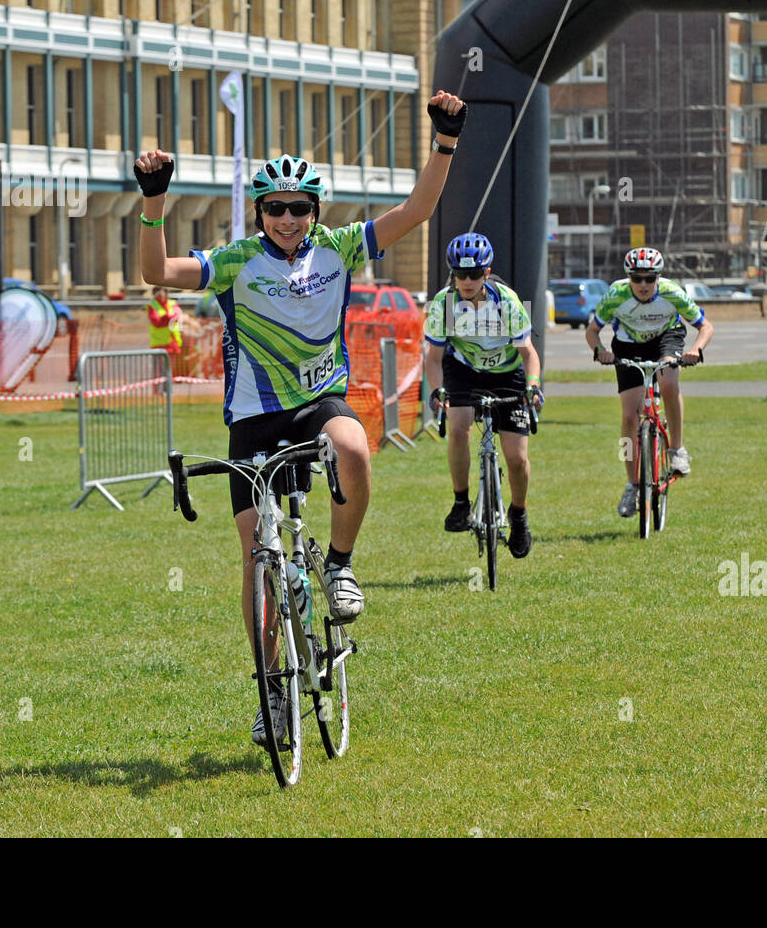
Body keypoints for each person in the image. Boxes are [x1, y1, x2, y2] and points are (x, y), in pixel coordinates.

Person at [136, 89, 468, 746]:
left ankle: (340, 564)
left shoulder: (340, 249)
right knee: (257, 562)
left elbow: (419, 209)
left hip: (319, 403)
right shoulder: (235, 263)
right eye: (276, 208)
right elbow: (157, 274)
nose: (288, 218)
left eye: (299, 208)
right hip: (254, 421)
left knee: (355, 449)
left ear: (317, 212)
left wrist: (444, 142)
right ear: (260, 212)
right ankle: (270, 694)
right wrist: (154, 200)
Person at [424, 233, 543, 558]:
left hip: (507, 372)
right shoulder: (443, 304)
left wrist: (532, 385)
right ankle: (461, 502)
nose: (466, 281)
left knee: (517, 457)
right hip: (464, 371)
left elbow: (529, 353)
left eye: (474, 274)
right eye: (460, 274)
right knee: (459, 426)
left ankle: (518, 516)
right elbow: (433, 359)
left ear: (486, 273)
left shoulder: (506, 301)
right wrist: (438, 391)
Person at [584, 247, 712, 518]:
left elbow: (705, 326)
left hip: (666, 338)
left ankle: (677, 449)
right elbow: (592, 331)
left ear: (659, 277)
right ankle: (632, 486)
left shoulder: (672, 293)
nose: (643, 284)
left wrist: (696, 350)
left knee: (667, 383)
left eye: (649, 278)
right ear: (629, 277)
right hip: (629, 345)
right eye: (637, 278)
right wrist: (600, 351)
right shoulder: (616, 295)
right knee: (630, 416)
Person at [147, 286, 184, 375]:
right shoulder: (152, 305)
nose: (160, 295)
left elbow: (177, 315)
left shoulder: (172, 303)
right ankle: (158, 389)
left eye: (162, 293)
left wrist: (165, 318)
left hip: (173, 342)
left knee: (169, 371)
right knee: (158, 372)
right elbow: (156, 322)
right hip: (159, 343)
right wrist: (169, 317)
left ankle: (167, 389)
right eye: (157, 294)